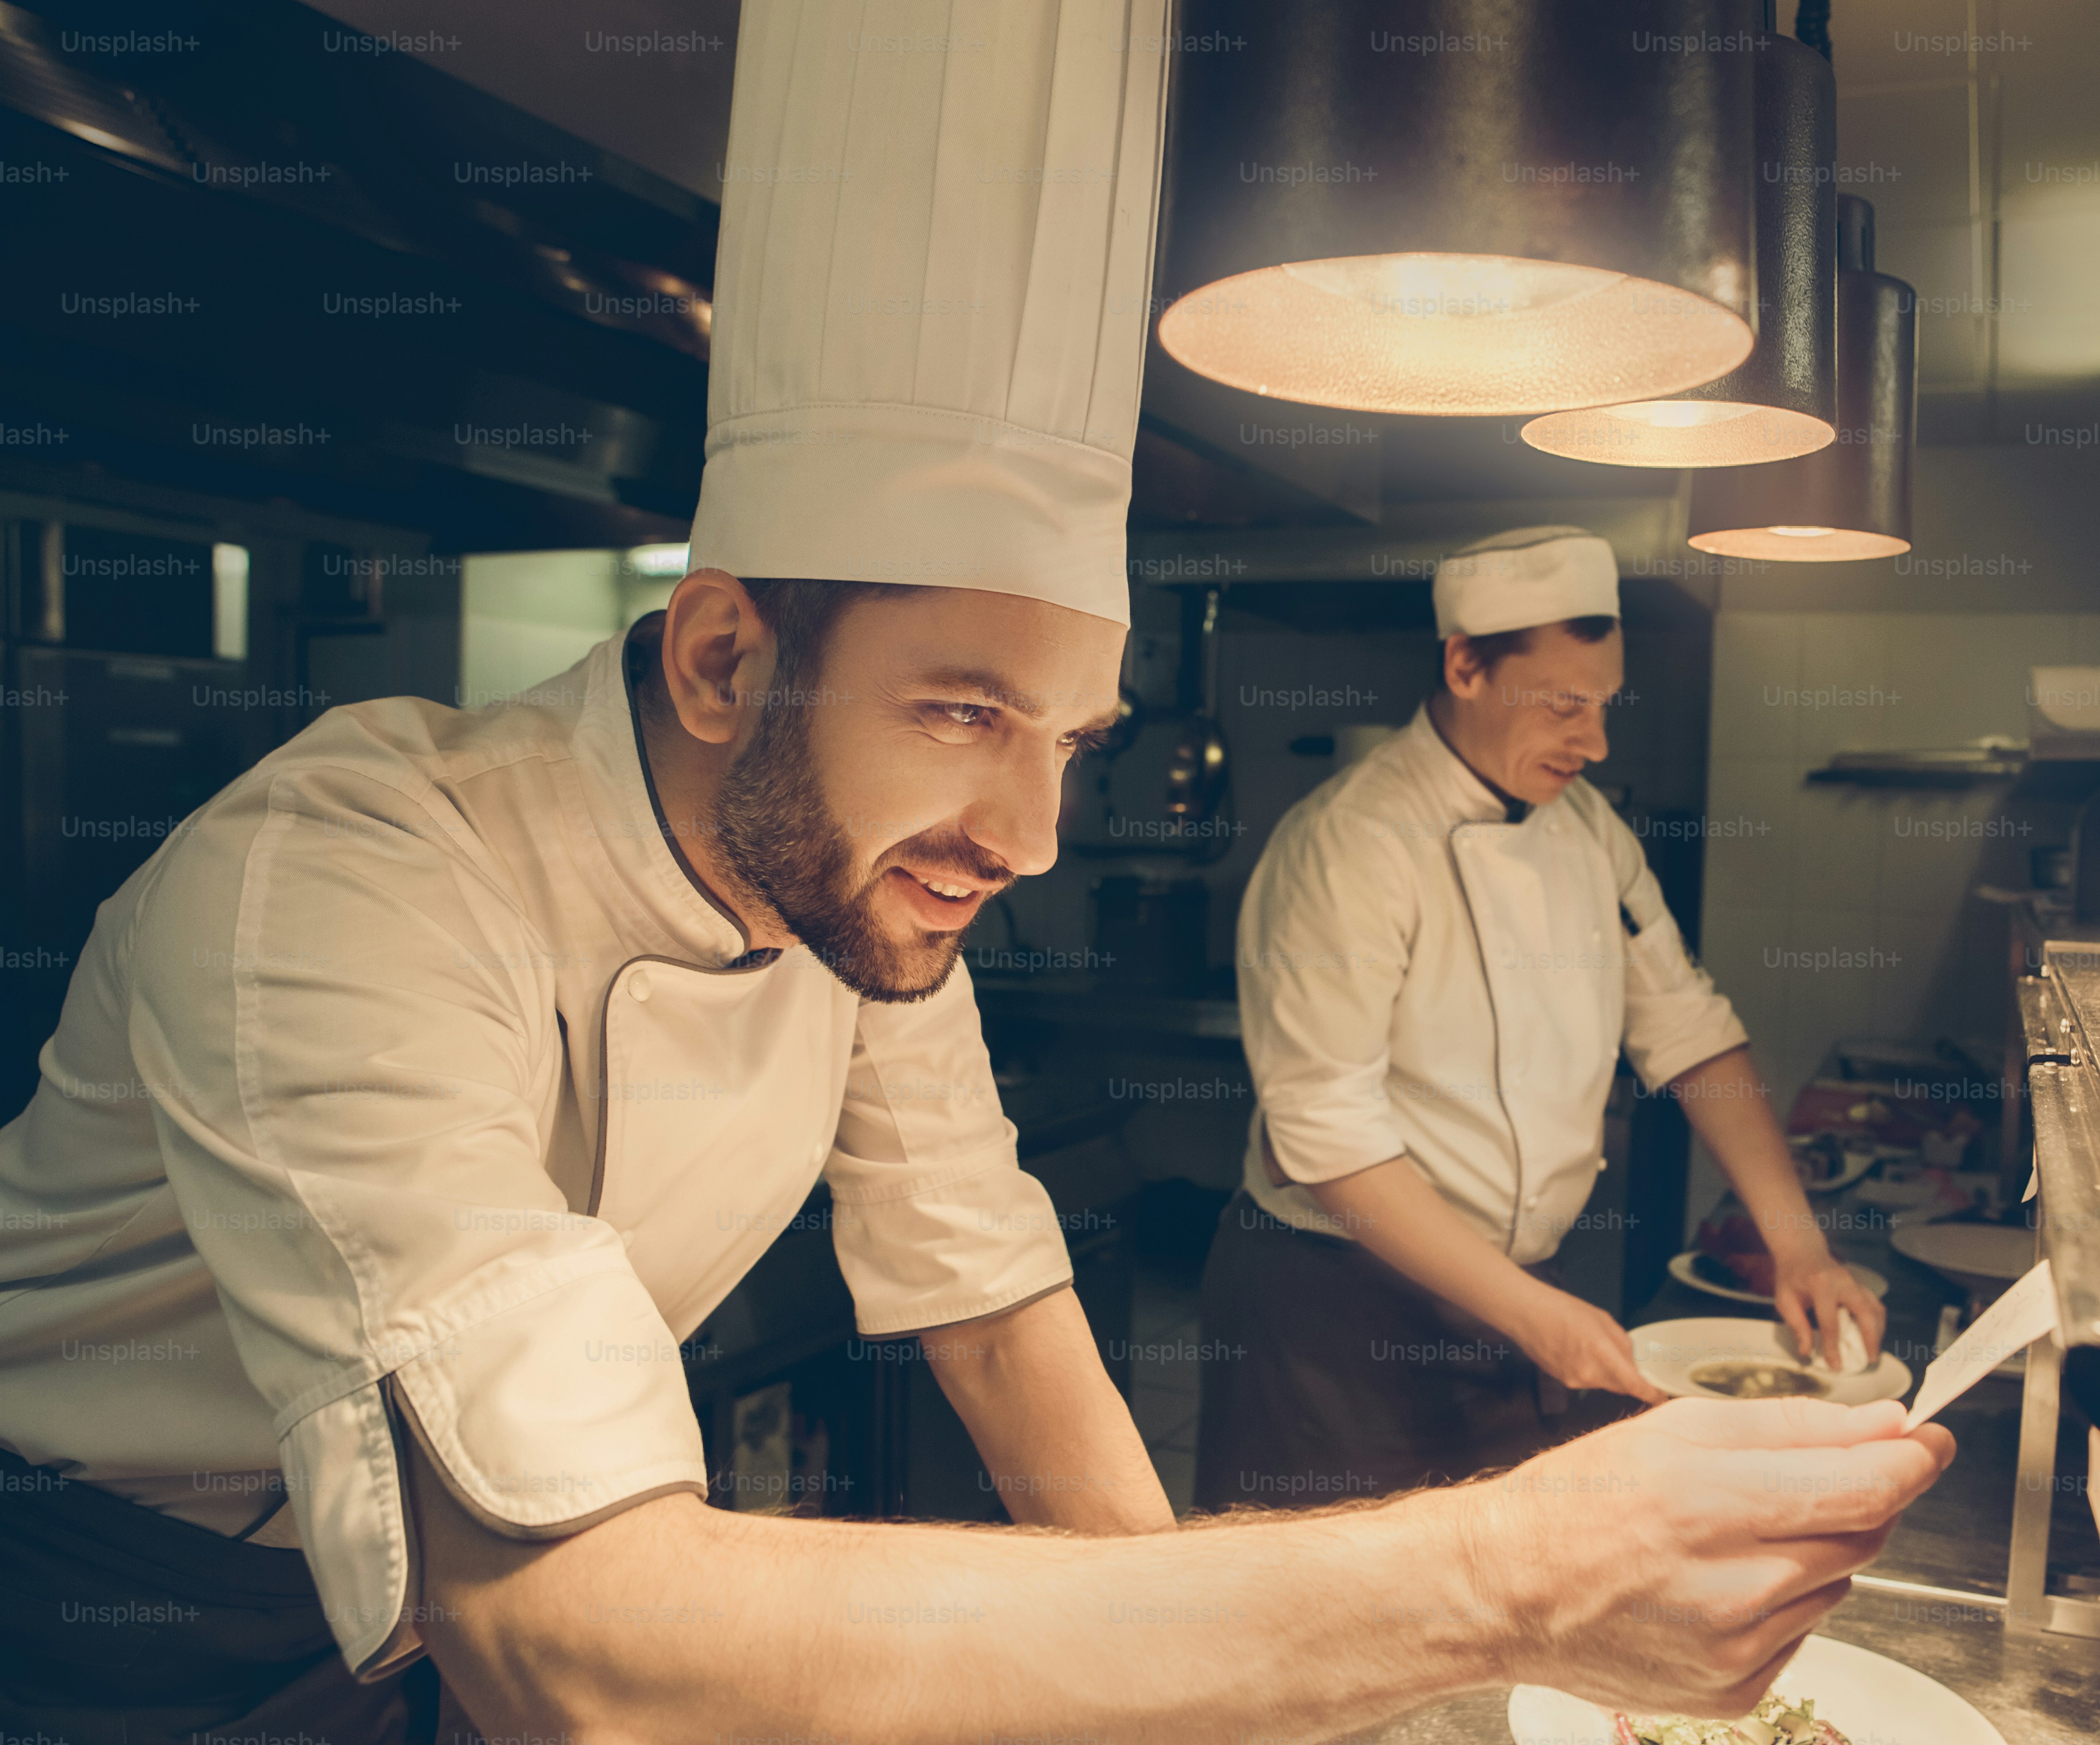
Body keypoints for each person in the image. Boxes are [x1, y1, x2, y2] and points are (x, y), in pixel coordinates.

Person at [0, 7, 1949, 1743]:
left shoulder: (864, 922)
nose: (1028, 840)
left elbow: (999, 1312)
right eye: (958, 713)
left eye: (1069, 743)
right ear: (721, 657)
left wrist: (1219, 1715)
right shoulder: (342, 881)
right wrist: (1500, 1583)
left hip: (417, 1616)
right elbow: (574, 1644)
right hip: (101, 1606)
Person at [1198, 528, 1891, 1510]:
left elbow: (1688, 1031)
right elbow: (1327, 1137)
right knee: (1330, 1617)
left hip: (1515, 1305)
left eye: (1604, 706)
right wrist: (1534, 1313)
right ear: (1466, 664)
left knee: (1500, 1609)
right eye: (1566, 706)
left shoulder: (1589, 829)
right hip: (1338, 1314)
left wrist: (1801, 1246)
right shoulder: (1351, 845)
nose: (1595, 742)